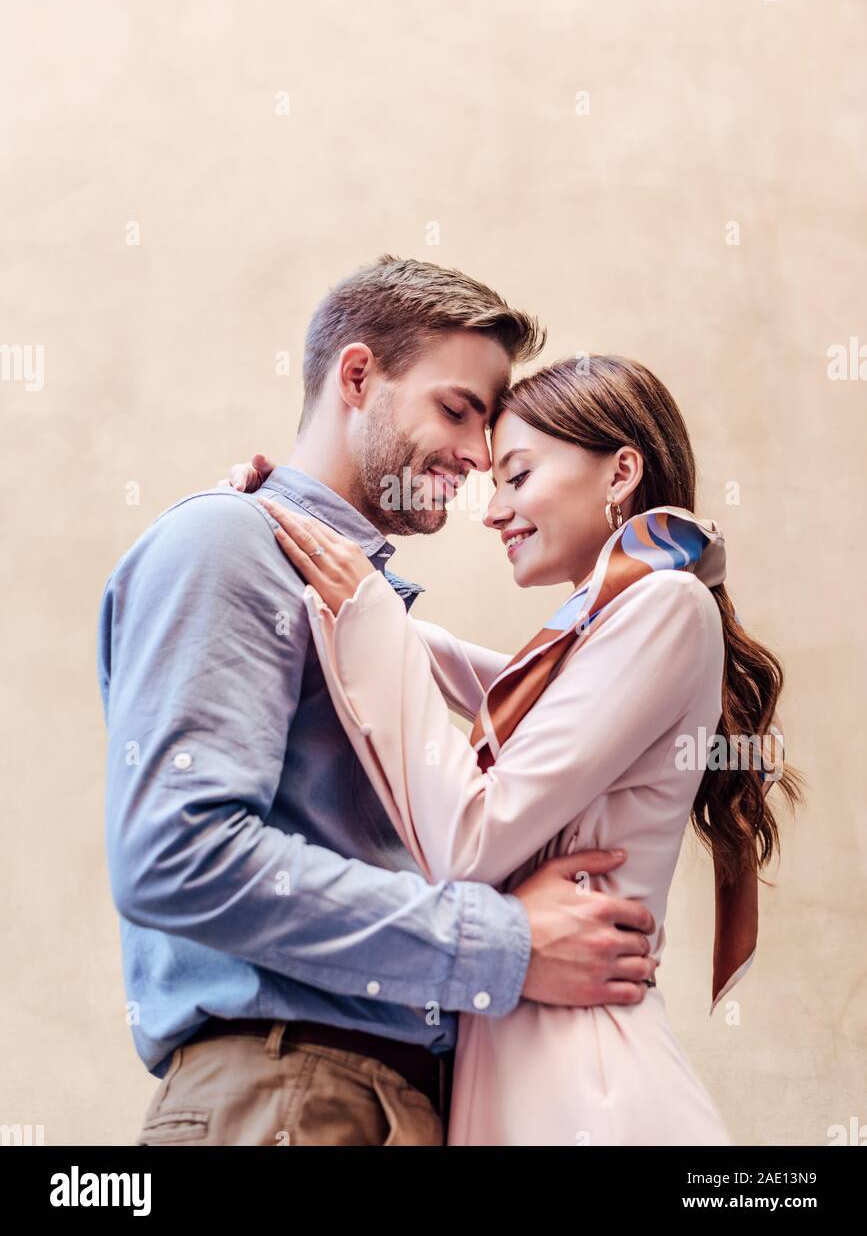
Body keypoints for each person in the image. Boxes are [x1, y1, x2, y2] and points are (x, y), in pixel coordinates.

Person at [98, 256, 661, 1148]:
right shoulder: (228, 542)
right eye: (457, 409)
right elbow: (179, 853)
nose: (479, 457)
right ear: (356, 376)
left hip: (385, 1100)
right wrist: (503, 945)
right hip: (287, 1092)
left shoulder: (354, 597)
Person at [240, 352, 803, 1145]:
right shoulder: (586, 645)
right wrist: (286, 526)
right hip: (518, 1075)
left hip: (585, 1091)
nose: (492, 510)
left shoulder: (666, 605)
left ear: (620, 473)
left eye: (517, 475)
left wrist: (358, 604)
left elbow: (472, 841)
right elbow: (454, 668)